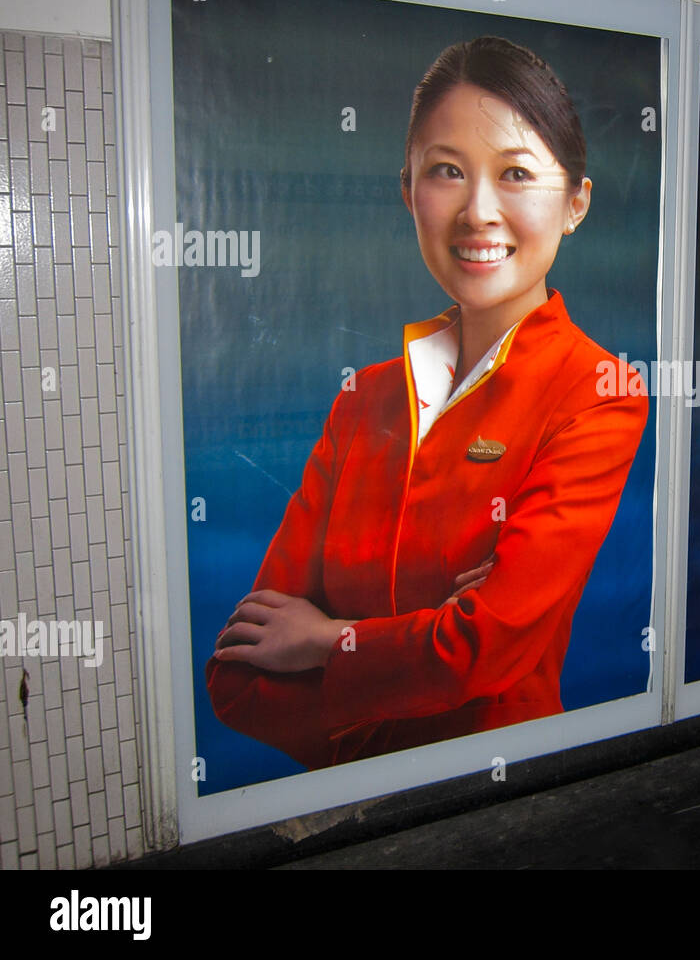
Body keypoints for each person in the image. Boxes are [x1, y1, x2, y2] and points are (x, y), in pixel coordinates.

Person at [205, 37, 648, 769]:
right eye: (447, 170)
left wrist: (326, 641)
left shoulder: (597, 392)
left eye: (516, 174)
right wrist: (430, 644)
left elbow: (479, 651)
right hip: (351, 815)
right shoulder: (365, 398)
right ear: (408, 187)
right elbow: (239, 679)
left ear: (575, 203)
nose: (479, 211)